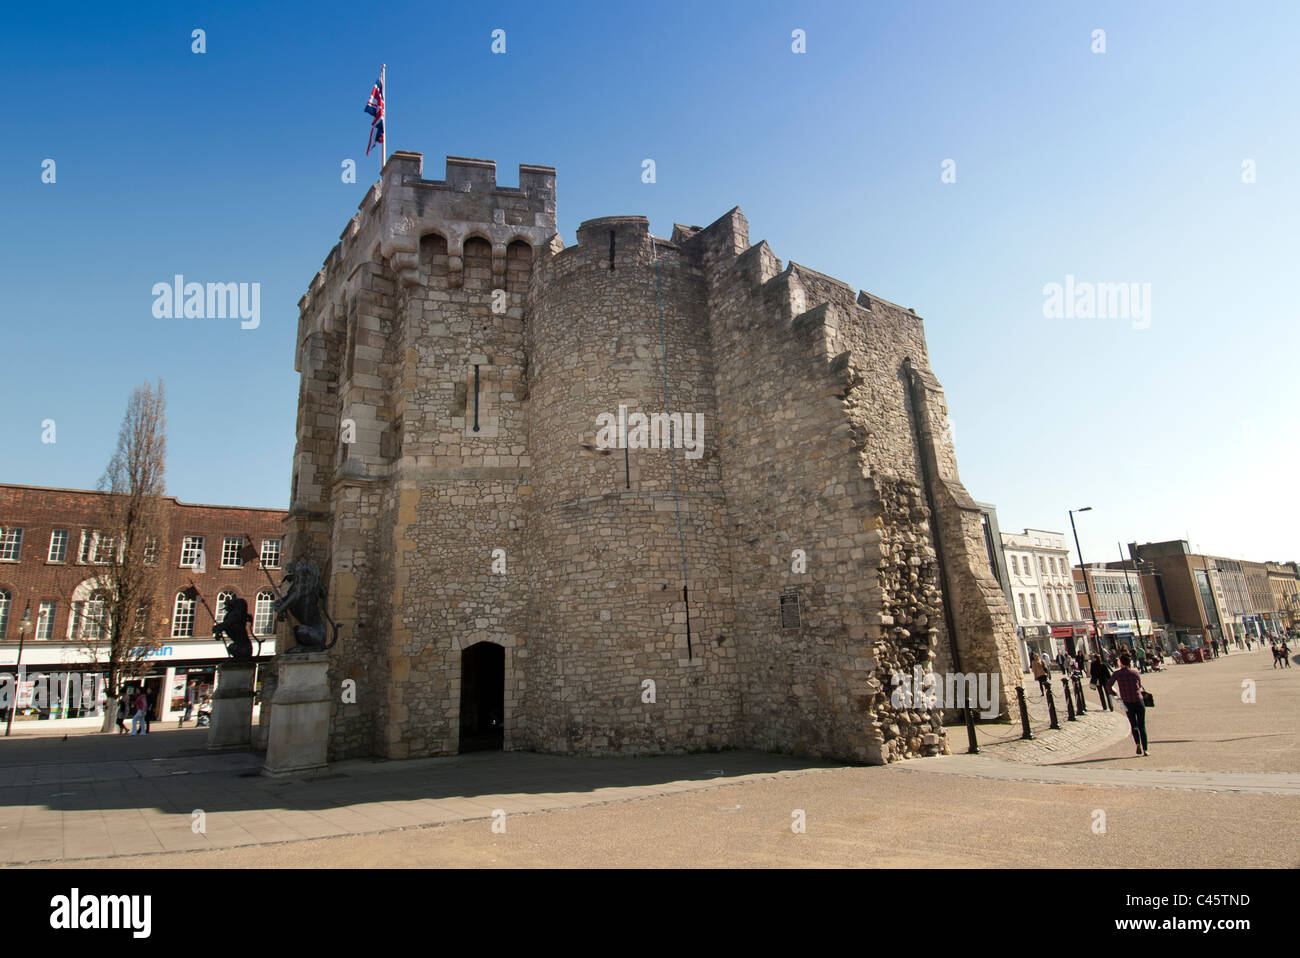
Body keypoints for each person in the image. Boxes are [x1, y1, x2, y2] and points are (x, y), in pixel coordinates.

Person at [1106, 653, 1149, 756]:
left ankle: (1137, 744)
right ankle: (1145, 749)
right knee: (1142, 725)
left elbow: (1108, 685)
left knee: (1133, 724)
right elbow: (1138, 685)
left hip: (1127, 701)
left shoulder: (1117, 674)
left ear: (1121, 662)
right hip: (1138, 700)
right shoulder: (1134, 673)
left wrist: (1115, 694)